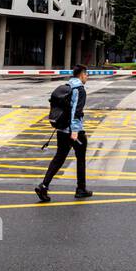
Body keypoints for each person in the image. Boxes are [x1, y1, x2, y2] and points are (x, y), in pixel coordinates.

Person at [35, 64, 91, 202]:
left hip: (61, 129)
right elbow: (76, 112)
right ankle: (81, 189)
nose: (87, 77)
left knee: (59, 158)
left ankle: (44, 185)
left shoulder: (66, 87)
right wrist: (75, 131)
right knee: (81, 158)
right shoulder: (79, 89)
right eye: (86, 74)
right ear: (82, 74)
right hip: (73, 131)